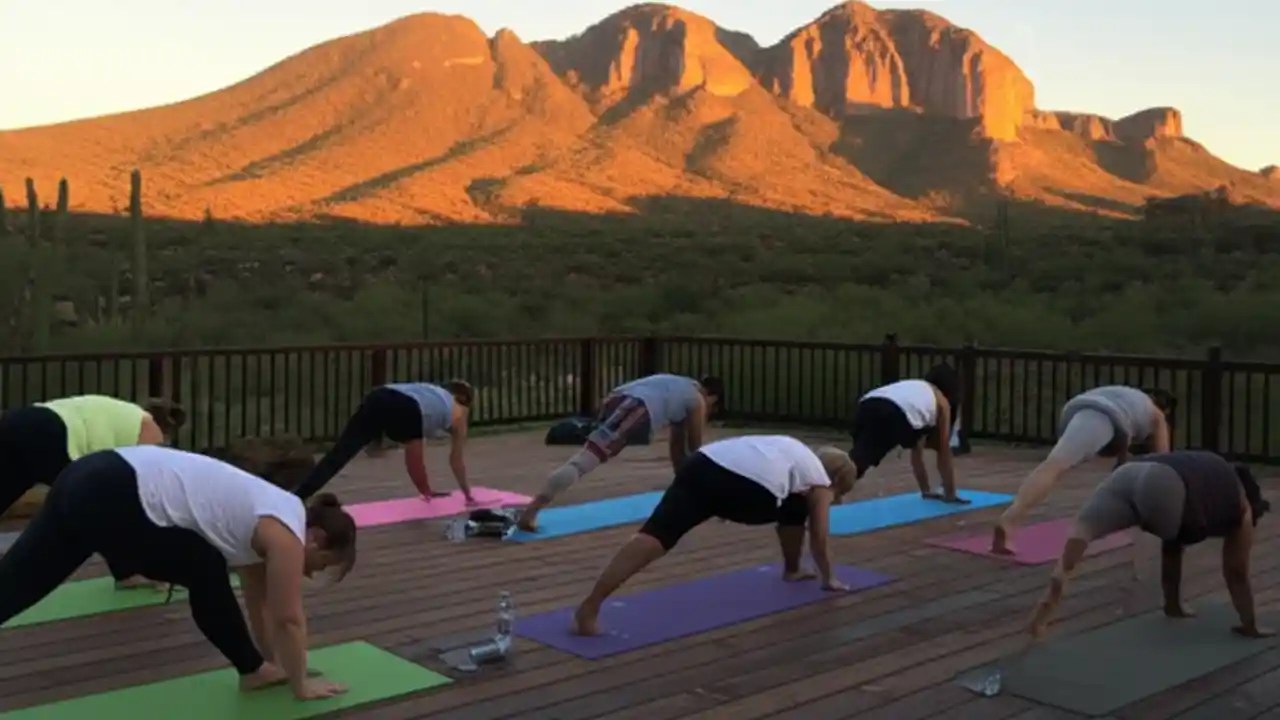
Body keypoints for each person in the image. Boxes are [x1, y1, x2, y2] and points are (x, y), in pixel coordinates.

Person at [0, 444, 357, 701]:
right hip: (113, 492)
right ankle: (250, 671)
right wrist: (301, 686)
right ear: (316, 538)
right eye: (321, 565)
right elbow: (288, 618)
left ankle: (254, 669)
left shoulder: (272, 512)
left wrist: (275, 663)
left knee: (16, 585)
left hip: (89, 475)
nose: (310, 575)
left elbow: (259, 603)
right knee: (204, 567)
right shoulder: (286, 533)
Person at [572, 435, 856, 636]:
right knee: (796, 505)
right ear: (837, 480)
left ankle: (591, 605)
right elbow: (819, 535)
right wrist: (829, 577)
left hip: (700, 463)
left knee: (655, 536)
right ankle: (793, 569)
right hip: (737, 486)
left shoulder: (792, 448)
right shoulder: (819, 477)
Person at [1029, 450, 1271, 640]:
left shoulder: (1212, 471)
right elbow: (1236, 572)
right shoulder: (1242, 506)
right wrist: (1250, 624)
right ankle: (1175, 604)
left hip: (1128, 474)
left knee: (1085, 529)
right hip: (1165, 485)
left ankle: (1057, 582)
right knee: (1177, 535)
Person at [0, 393, 186, 589]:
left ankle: (127, 571)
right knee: (99, 510)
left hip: (19, 422)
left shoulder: (120, 412)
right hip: (53, 434)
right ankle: (130, 573)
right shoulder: (149, 427)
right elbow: (145, 486)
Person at [517, 373, 724, 532]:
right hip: (637, 409)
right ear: (712, 397)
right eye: (711, 408)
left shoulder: (678, 385)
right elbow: (696, 449)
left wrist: (682, 490)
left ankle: (533, 509)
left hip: (617, 399)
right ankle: (531, 511)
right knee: (584, 461)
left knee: (591, 453)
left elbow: (677, 448)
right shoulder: (697, 400)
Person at [992, 385, 1175, 555]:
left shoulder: (1127, 395)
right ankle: (1010, 520)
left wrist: (1121, 461)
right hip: (1102, 417)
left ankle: (1010, 520)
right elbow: (1163, 459)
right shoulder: (1156, 414)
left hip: (1079, 408)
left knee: (1055, 464)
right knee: (1054, 466)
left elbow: (1124, 429)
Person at [293, 380, 474, 502]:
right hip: (407, 406)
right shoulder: (460, 411)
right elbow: (455, 460)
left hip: (379, 395)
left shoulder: (430, 391)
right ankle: (426, 491)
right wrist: (467, 494)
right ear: (463, 399)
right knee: (414, 452)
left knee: (340, 453)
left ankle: (299, 495)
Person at [848, 363, 968, 504]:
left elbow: (917, 453)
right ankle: (826, 488)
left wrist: (925, 490)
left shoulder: (916, 389)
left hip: (865, 405)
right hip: (891, 412)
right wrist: (951, 493)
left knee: (856, 460)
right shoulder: (942, 402)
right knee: (857, 464)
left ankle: (829, 481)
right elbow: (944, 452)